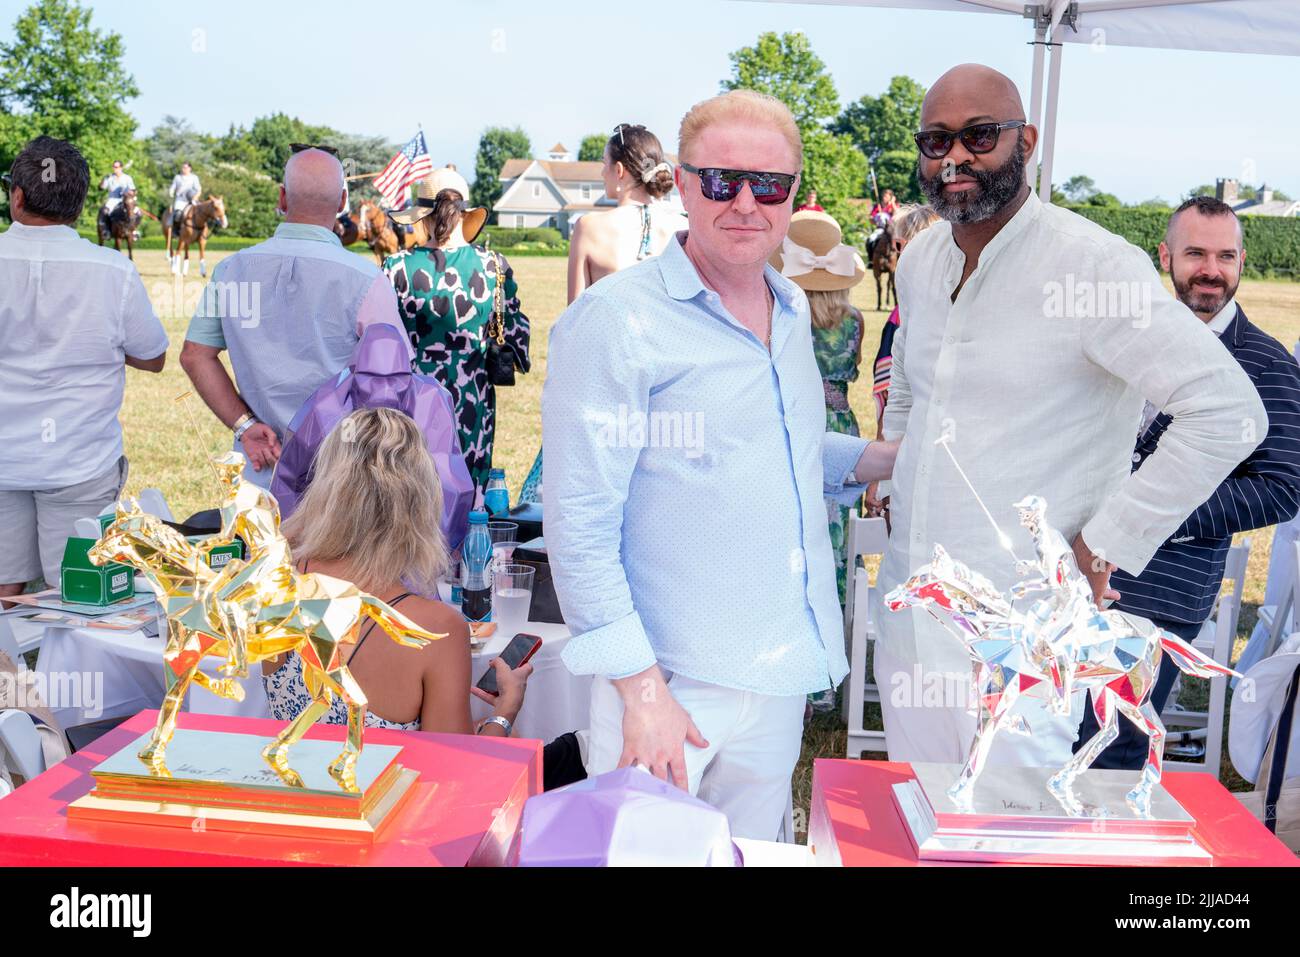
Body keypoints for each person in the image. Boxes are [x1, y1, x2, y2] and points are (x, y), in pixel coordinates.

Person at [874, 63, 1266, 767]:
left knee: (1009, 841)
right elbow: (910, 384)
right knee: (921, 827)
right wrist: (895, 464)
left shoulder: (1092, 267)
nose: (956, 156)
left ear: (1025, 140)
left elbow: (1228, 411)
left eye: (979, 135)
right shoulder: (921, 259)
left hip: (1026, 636)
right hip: (910, 614)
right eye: (936, 140)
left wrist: (1105, 542)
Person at [543, 89, 898, 840]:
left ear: (793, 194)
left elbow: (780, 445)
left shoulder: (792, 308)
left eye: (767, 185)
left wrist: (884, 459)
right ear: (681, 181)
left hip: (774, 675)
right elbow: (578, 520)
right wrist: (642, 691)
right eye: (720, 180)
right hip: (666, 680)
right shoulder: (618, 320)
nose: (745, 202)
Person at [1075, 197, 1300, 769]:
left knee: (1105, 755)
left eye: (1225, 256)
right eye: (1196, 252)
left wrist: (1150, 517)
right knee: (1042, 740)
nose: (1211, 269)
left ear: (1242, 260)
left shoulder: (1268, 363)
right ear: (1166, 255)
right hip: (1069, 569)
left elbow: (1281, 485)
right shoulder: (1126, 336)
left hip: (1160, 588)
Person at [265, 408, 588, 789]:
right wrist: (505, 712)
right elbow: (455, 778)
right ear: (419, 501)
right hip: (389, 826)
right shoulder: (432, 628)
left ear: (327, 487)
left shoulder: (279, 580)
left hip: (297, 805)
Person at [180, 147, 411, 489]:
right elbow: (397, 375)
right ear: (342, 201)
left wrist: (244, 425)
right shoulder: (366, 279)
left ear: (282, 198)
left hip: (261, 463)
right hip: (341, 470)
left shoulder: (231, 269)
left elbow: (195, 355)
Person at [0, 136, 168, 603]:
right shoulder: (113, 271)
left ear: (16, 196)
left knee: (4, 586)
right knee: (78, 591)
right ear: (78, 206)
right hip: (79, 459)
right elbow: (153, 356)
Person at [517, 123, 686, 504]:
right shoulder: (681, 229)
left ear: (621, 172)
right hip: (670, 380)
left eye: (604, 165)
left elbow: (574, 318)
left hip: (606, 377)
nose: (601, 173)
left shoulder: (590, 227)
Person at [383, 167, 530, 493]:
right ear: (465, 214)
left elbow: (380, 345)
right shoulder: (495, 266)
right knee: (469, 494)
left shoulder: (396, 268)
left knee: (411, 492)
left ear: (422, 218)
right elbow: (517, 335)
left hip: (414, 399)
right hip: (473, 399)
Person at [271, 323, 475, 550]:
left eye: (396, 378)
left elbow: (451, 487)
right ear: (354, 373)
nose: (386, 391)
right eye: (373, 378)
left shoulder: (428, 400)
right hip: (340, 534)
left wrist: (433, 556)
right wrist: (291, 548)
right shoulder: (329, 406)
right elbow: (290, 478)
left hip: (409, 531)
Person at [769, 208, 868, 609]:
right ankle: (838, 607)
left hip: (795, 422)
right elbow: (854, 368)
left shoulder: (780, 317)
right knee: (839, 524)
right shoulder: (856, 320)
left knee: (794, 520)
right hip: (842, 424)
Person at [864, 204, 941, 521]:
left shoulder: (901, 319)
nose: (896, 253)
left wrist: (876, 479)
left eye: (898, 246)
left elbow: (891, 402)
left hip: (908, 459)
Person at [96, 159, 135, 242]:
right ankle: (105, 230)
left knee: (137, 211)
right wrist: (103, 181)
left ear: (121, 167)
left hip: (125, 200)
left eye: (116, 167)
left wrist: (129, 192)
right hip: (112, 200)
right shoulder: (109, 178)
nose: (114, 168)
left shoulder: (127, 178)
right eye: (113, 167)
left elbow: (133, 190)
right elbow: (101, 188)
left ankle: (134, 231)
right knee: (104, 211)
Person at [168, 161, 202, 236]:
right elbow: (173, 187)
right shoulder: (177, 177)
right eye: (183, 168)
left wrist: (195, 197)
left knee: (201, 212)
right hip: (180, 200)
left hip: (192, 200)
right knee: (178, 214)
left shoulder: (194, 177)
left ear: (190, 168)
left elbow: (198, 189)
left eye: (185, 168)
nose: (184, 169)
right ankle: (176, 230)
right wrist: (171, 191)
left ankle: (201, 229)